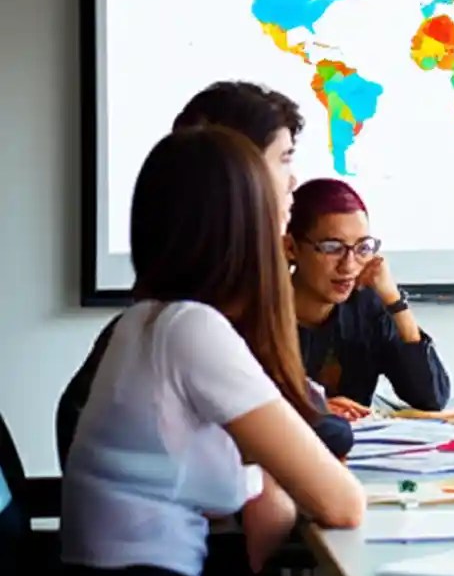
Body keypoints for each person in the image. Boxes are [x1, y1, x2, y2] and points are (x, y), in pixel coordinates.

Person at [61, 127, 364, 576]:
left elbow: (211, 484)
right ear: (246, 228)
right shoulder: (192, 330)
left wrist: (266, 480)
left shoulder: (145, 321)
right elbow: (343, 503)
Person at [57, 81, 354, 465]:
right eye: (284, 159)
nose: (293, 180)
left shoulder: (156, 316)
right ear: (238, 175)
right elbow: (318, 447)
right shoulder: (197, 326)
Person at [286, 178, 451, 416]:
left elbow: (430, 398)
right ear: (291, 248)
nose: (349, 266)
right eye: (333, 247)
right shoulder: (256, 313)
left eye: (363, 247)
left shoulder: (367, 306)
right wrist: (314, 410)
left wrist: (395, 302)